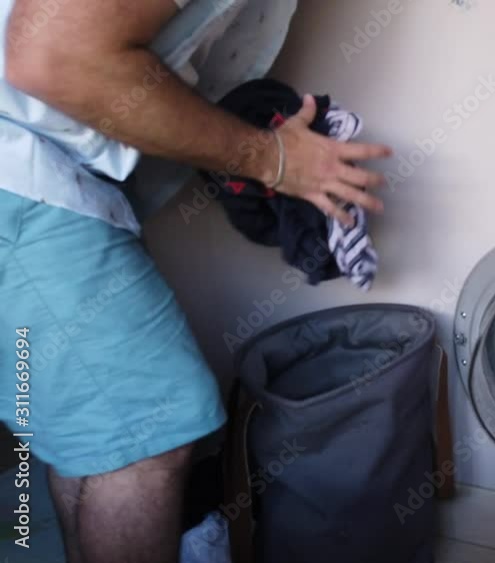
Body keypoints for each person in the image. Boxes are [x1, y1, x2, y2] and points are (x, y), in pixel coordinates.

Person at [0, 1, 391, 561]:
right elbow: (51, 59)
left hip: (35, 174)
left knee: (103, 438)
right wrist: (272, 158)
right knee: (148, 431)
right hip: (16, 175)